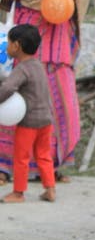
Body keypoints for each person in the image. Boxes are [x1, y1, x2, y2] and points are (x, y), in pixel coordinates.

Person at [0, 0, 90, 183]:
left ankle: (51, 164)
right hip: (27, 35)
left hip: (58, 36)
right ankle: (6, 166)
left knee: (59, 99)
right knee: (18, 96)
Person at [0, 24, 55, 203]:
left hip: (29, 122)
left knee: (21, 156)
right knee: (43, 154)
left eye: (8, 43)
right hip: (46, 120)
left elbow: (8, 87)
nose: (7, 47)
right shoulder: (38, 65)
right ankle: (50, 188)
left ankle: (18, 192)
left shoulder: (22, 68)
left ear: (17, 45)